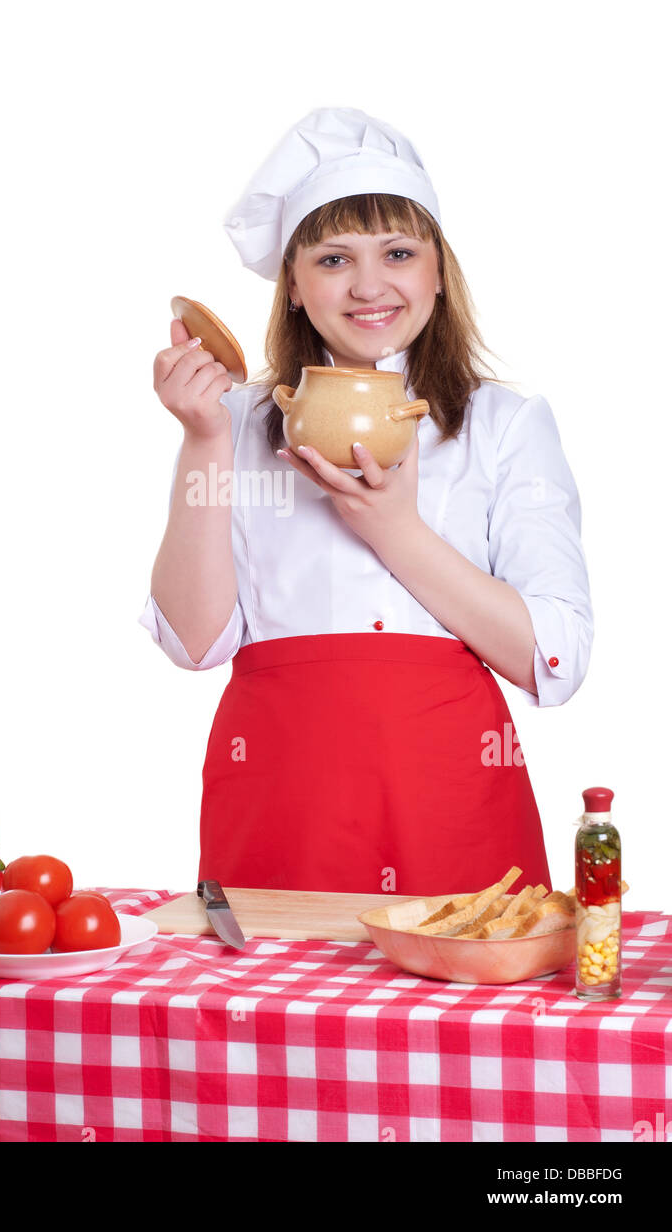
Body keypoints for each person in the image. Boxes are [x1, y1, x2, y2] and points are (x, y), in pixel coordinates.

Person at [139, 107, 593, 896]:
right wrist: (204, 439)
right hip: (280, 800)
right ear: (292, 286)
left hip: (450, 799)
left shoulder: (502, 425)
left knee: (464, 977)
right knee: (272, 979)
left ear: (438, 272)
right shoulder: (234, 422)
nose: (369, 285)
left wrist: (396, 532)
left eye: (398, 253)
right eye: (332, 259)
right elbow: (194, 643)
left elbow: (555, 658)